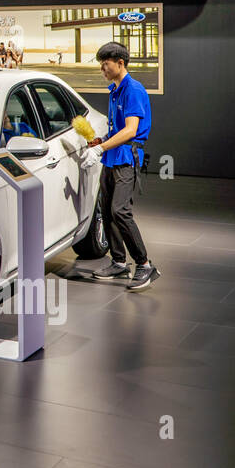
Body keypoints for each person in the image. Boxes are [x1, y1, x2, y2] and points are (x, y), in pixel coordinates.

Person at [86, 41, 158, 290]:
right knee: (106, 210)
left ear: (120, 63)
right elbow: (116, 130)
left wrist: (100, 148)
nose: (102, 68)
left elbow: (130, 130)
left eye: (105, 64)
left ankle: (145, 264)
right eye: (100, 64)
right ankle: (118, 261)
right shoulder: (114, 90)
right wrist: (101, 141)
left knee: (120, 211)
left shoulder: (133, 90)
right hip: (111, 158)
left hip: (126, 159)